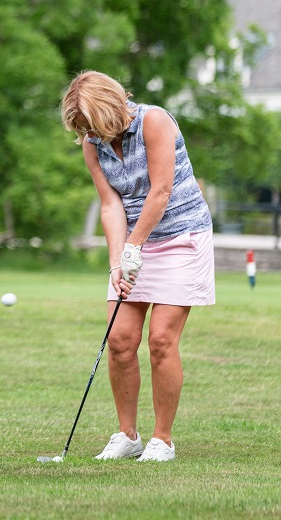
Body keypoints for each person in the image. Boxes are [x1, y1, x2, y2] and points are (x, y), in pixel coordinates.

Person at [60, 70, 215, 462]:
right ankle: (127, 436)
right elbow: (111, 205)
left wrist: (134, 247)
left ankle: (162, 440)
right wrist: (118, 261)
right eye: (84, 129)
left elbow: (161, 190)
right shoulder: (93, 144)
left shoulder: (155, 121)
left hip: (181, 238)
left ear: (111, 107)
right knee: (121, 340)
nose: (91, 135)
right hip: (134, 242)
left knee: (161, 340)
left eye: (93, 125)